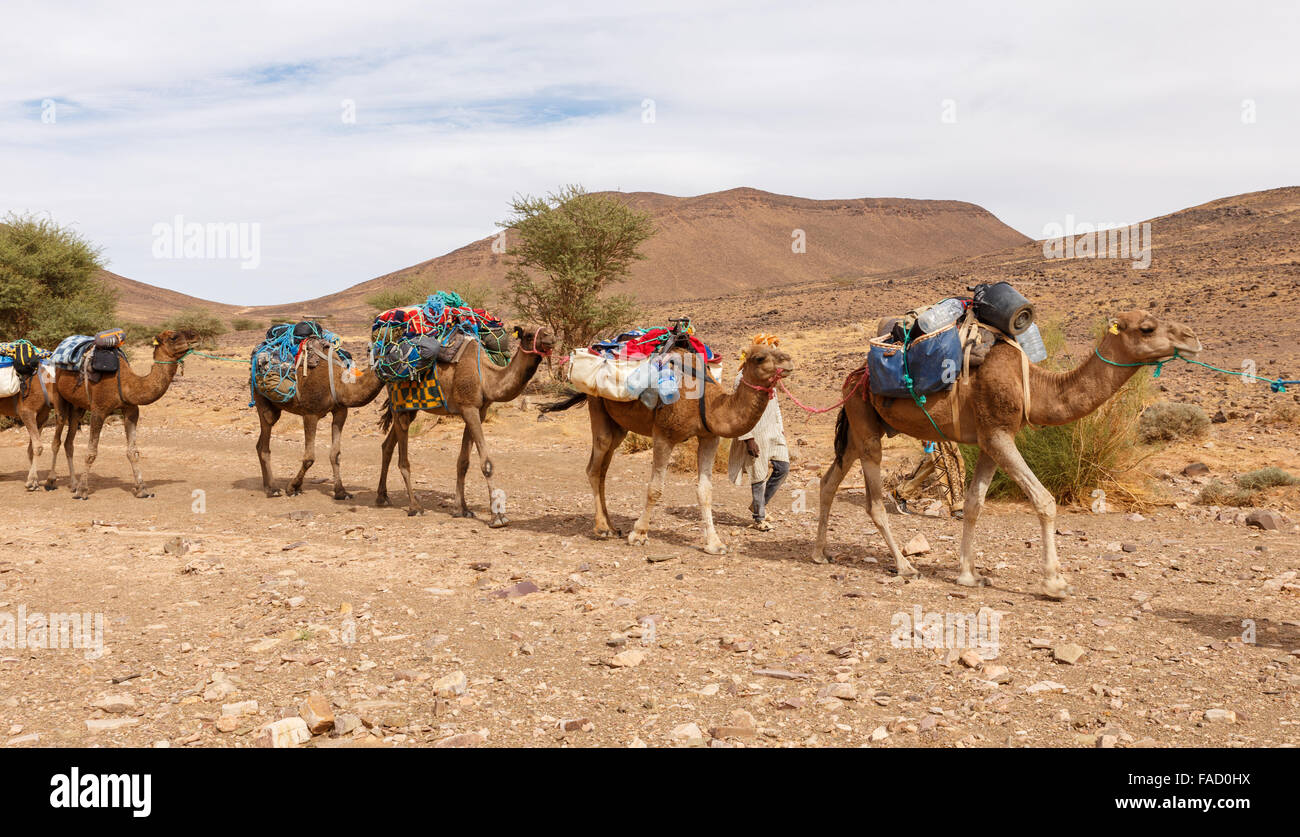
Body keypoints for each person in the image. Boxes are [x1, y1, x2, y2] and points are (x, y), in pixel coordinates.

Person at [727, 334, 789, 531]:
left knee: (783, 467)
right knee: (758, 474)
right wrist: (748, 438)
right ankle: (759, 517)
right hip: (756, 432)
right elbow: (739, 411)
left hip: (773, 430)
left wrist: (780, 428)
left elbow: (775, 404)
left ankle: (758, 504)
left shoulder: (769, 379)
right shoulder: (742, 379)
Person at [893, 440, 966, 518]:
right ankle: (957, 508)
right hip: (938, 434)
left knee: (933, 463)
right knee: (952, 464)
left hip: (945, 434)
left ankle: (900, 492)